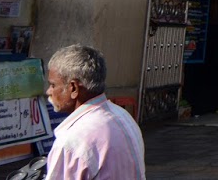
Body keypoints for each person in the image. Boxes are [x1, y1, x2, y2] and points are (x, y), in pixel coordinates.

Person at [44, 44, 146, 180]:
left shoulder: (73, 141)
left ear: (73, 88)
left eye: (53, 85)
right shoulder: (123, 117)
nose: (49, 92)